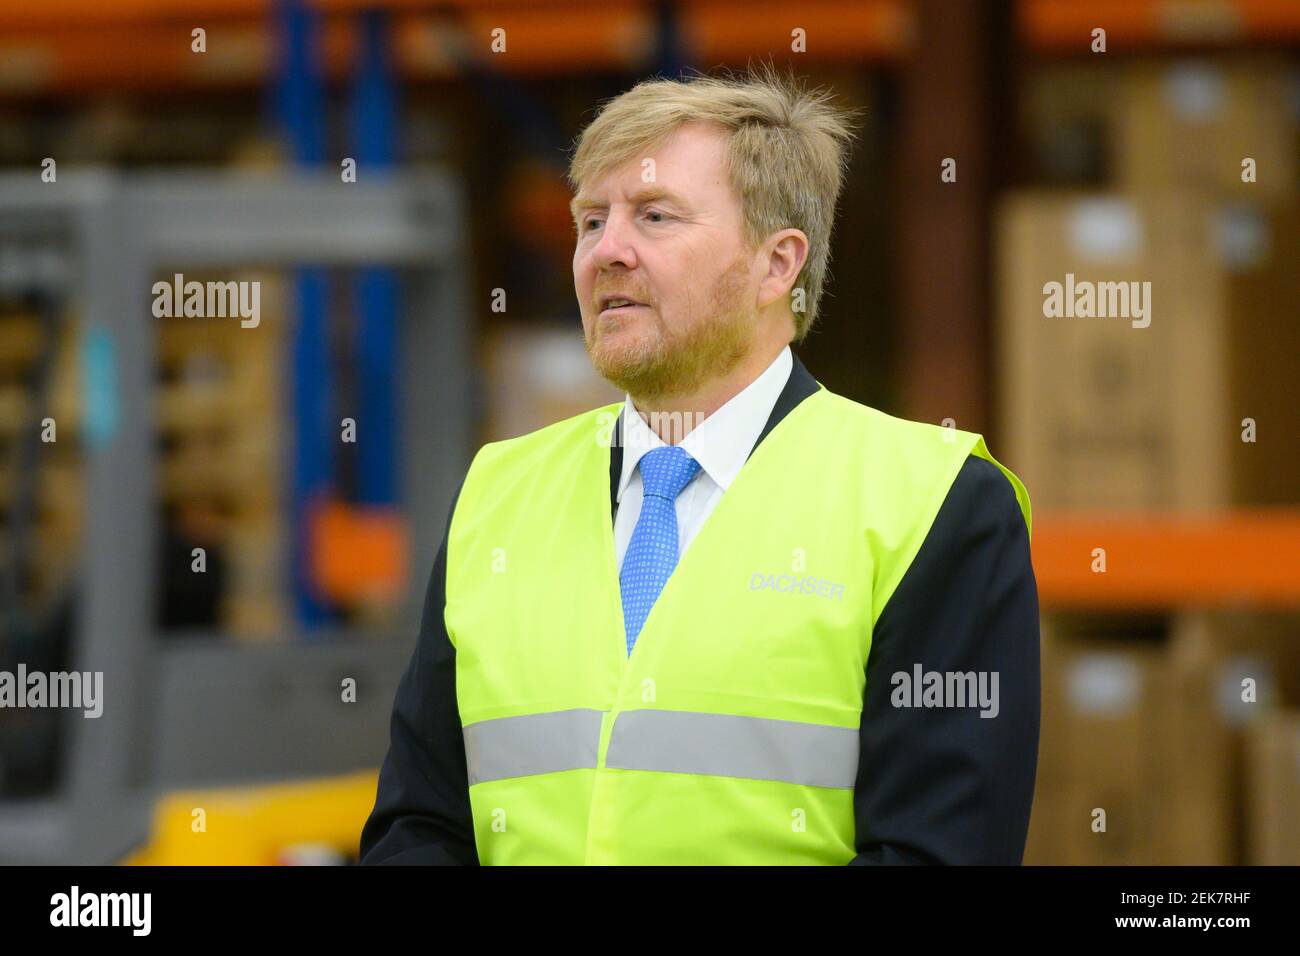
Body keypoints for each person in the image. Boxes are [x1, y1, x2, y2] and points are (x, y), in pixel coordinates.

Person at [360, 65, 1039, 865]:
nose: (605, 252)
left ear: (777, 265)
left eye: (654, 216)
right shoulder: (496, 497)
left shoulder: (933, 505)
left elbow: (939, 852)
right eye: (589, 222)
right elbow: (418, 827)